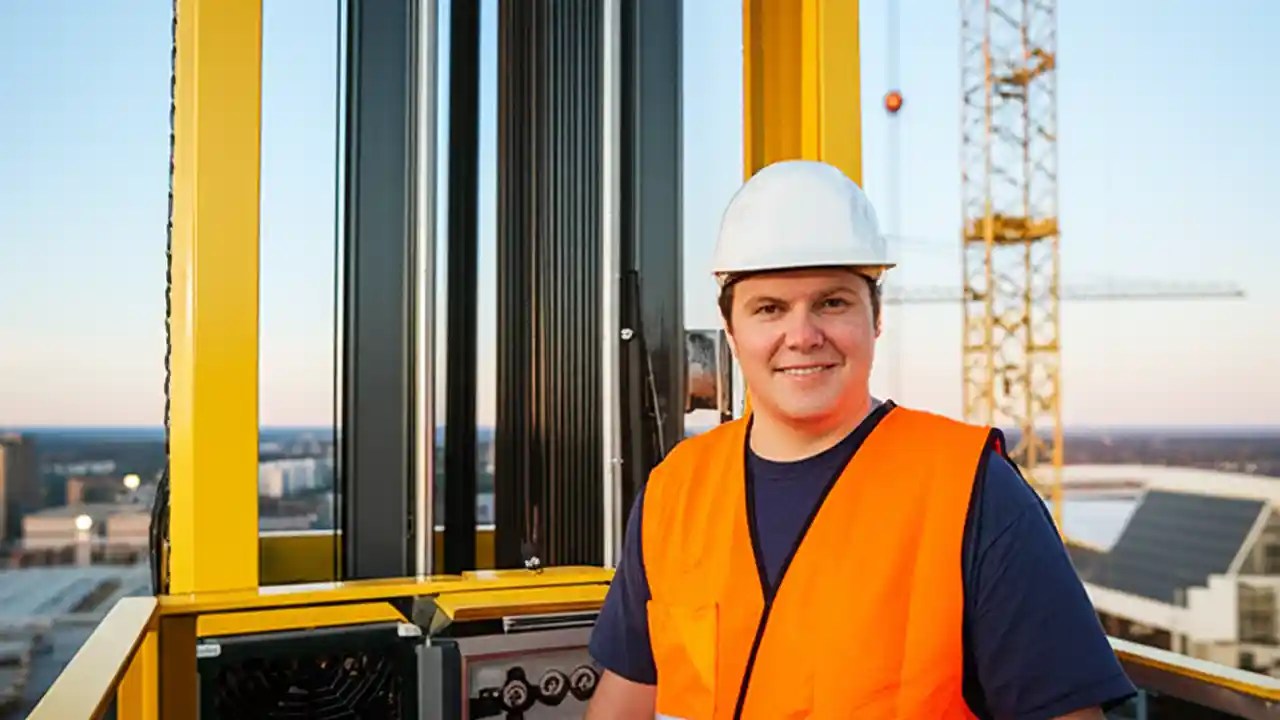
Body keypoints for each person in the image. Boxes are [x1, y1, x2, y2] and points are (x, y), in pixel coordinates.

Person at [585, 160, 1136, 719]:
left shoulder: (974, 494)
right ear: (731, 332)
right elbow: (626, 701)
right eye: (769, 309)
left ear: (875, 318)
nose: (802, 336)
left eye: (831, 303)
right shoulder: (675, 491)